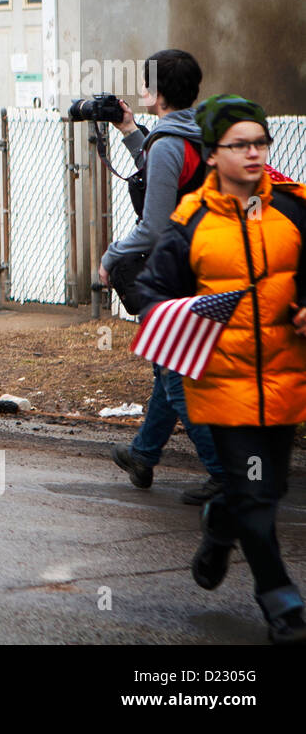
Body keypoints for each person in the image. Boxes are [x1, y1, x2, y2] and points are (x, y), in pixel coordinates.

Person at [136, 94, 306, 644]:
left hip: (283, 380)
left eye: (261, 142)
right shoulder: (191, 225)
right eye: (241, 145)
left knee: (268, 486)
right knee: (257, 492)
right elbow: (152, 294)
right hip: (222, 388)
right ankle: (280, 602)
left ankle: (219, 525)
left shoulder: (291, 207)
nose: (255, 154)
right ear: (212, 155)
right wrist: (186, 325)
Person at [101, 50, 224, 504]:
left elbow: (153, 225)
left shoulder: (169, 142)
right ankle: (143, 453)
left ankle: (223, 472)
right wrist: (131, 133)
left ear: (157, 92)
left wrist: (111, 256)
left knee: (175, 372)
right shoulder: (203, 133)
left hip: (175, 271)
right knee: (165, 367)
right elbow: (169, 172)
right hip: (208, 263)